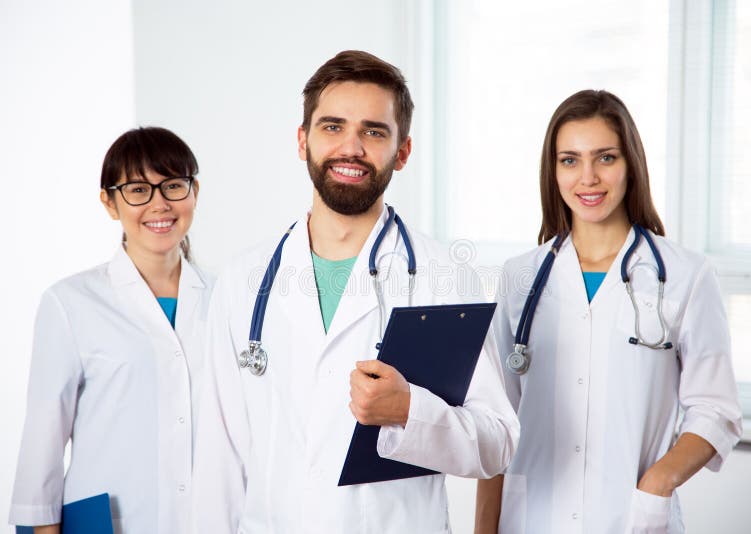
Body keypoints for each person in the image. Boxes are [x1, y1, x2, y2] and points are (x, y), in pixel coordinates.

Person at [191, 50, 519, 533]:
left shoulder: (445, 277)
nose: (351, 147)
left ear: (402, 151)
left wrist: (412, 411)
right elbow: (218, 460)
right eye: (331, 127)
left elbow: (497, 442)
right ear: (302, 141)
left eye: (373, 131)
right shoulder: (244, 281)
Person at [474, 90, 742, 534]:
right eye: (570, 160)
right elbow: (494, 422)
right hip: (532, 518)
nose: (588, 178)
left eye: (606, 158)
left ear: (630, 164)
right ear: (553, 171)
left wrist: (658, 482)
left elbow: (716, 410)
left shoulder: (684, 276)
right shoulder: (520, 278)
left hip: (631, 518)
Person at [9, 127, 213, 533]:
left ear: (194, 192)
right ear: (109, 202)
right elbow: (42, 443)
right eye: (138, 190)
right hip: (108, 523)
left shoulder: (226, 300)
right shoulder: (70, 303)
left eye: (173, 185)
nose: (159, 204)